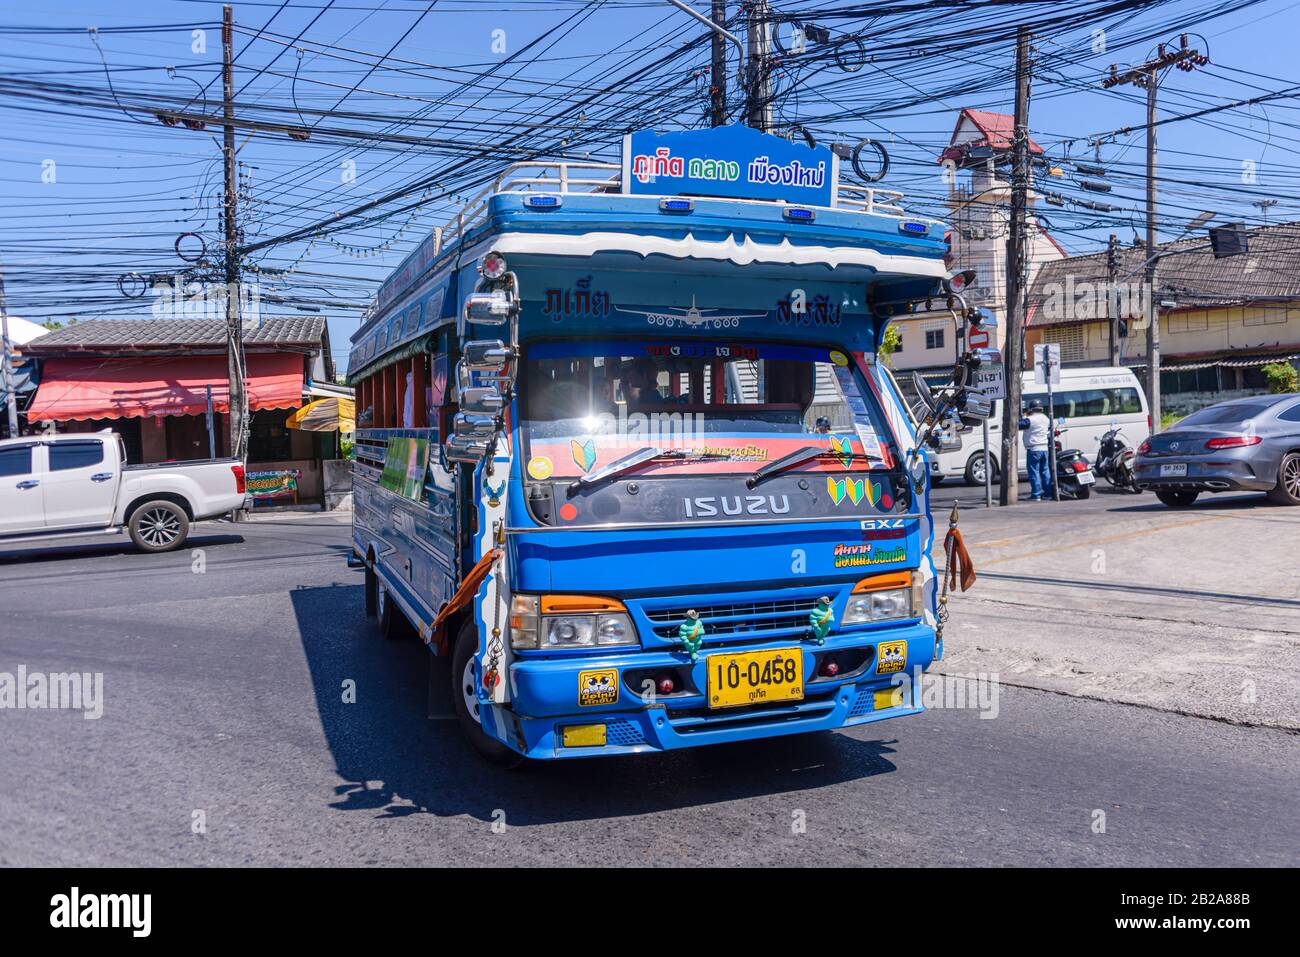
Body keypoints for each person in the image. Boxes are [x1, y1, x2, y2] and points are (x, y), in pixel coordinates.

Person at [1020, 400, 1054, 500]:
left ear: (1031, 409)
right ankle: (1048, 494)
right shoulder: (1046, 418)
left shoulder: (1030, 419)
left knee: (1034, 472)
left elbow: (1018, 425)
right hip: (1044, 448)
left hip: (1034, 448)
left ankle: (1036, 494)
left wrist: (1024, 415)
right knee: (1045, 471)